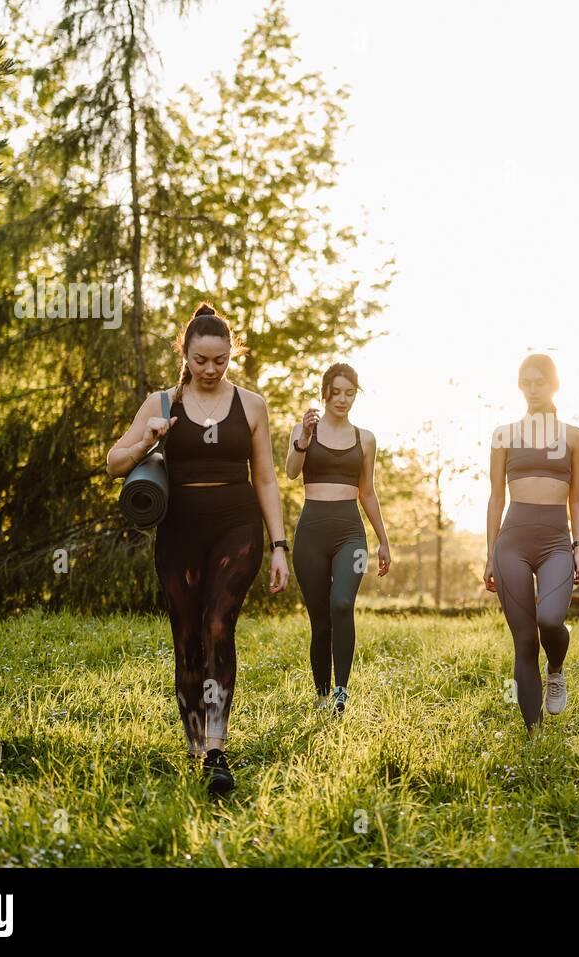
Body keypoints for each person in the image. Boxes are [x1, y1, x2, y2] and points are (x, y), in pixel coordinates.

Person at [106, 302, 289, 796]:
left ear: (232, 355)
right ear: (184, 353)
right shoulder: (162, 403)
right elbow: (113, 462)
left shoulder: (251, 405)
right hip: (180, 533)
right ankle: (194, 742)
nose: (211, 369)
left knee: (217, 625)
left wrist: (279, 544)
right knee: (187, 634)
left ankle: (215, 747)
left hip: (238, 527)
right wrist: (147, 438)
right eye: (201, 360)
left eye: (221, 360)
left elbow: (267, 479)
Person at [484, 354, 579, 731]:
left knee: (550, 619)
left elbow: (577, 497)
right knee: (524, 639)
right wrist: (489, 554)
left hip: (556, 542)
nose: (531, 389)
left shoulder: (573, 436)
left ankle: (556, 669)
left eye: (539, 381)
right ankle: (534, 734)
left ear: (554, 384)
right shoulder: (504, 434)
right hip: (512, 542)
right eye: (525, 382)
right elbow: (496, 498)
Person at [285, 363, 391, 713]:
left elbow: (368, 492)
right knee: (320, 618)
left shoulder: (366, 438)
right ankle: (321, 694)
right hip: (311, 532)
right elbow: (290, 472)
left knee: (342, 604)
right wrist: (303, 438)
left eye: (350, 392)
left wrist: (383, 540)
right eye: (337, 392)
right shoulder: (303, 432)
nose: (343, 399)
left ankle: (342, 692)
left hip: (350, 533)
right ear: (324, 392)